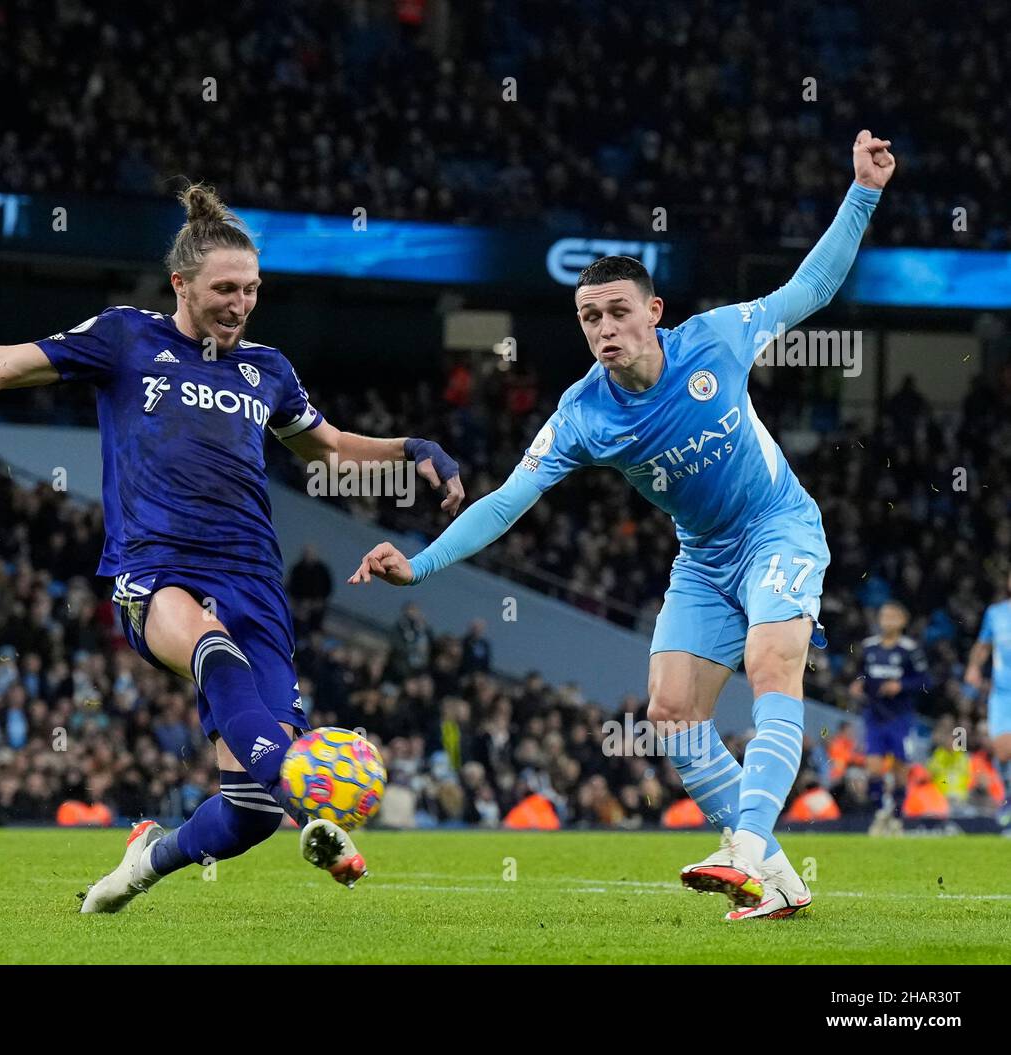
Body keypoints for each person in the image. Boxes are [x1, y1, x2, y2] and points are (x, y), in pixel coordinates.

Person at [0, 181, 464, 910]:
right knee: (212, 650)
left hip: (255, 580)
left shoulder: (268, 369)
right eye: (225, 288)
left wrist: (409, 448)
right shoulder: (127, 337)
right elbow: (0, 365)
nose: (241, 304)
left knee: (251, 812)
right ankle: (304, 790)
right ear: (181, 283)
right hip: (158, 568)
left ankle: (149, 857)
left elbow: (327, 449)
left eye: (253, 290)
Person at [349, 131, 897, 921]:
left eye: (617, 312)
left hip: (778, 525)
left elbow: (810, 287)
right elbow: (506, 500)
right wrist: (422, 562)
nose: (604, 328)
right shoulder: (581, 414)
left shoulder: (716, 336)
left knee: (772, 660)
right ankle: (777, 875)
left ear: (655, 313)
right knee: (671, 714)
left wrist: (863, 192)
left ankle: (743, 845)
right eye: (588, 317)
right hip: (706, 556)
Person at [850, 600, 929, 834]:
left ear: (903, 621)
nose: (887, 620)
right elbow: (861, 674)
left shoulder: (910, 649)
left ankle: (897, 818)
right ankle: (880, 812)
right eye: (884, 615)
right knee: (873, 768)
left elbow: (926, 681)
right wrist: (858, 685)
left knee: (900, 770)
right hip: (874, 716)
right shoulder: (868, 646)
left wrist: (901, 685)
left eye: (893, 616)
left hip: (900, 717)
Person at [964, 568, 1011, 827]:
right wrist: (973, 667)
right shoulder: (995, 613)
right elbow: (983, 645)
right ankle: (1008, 800)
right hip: (1003, 692)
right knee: (1003, 751)